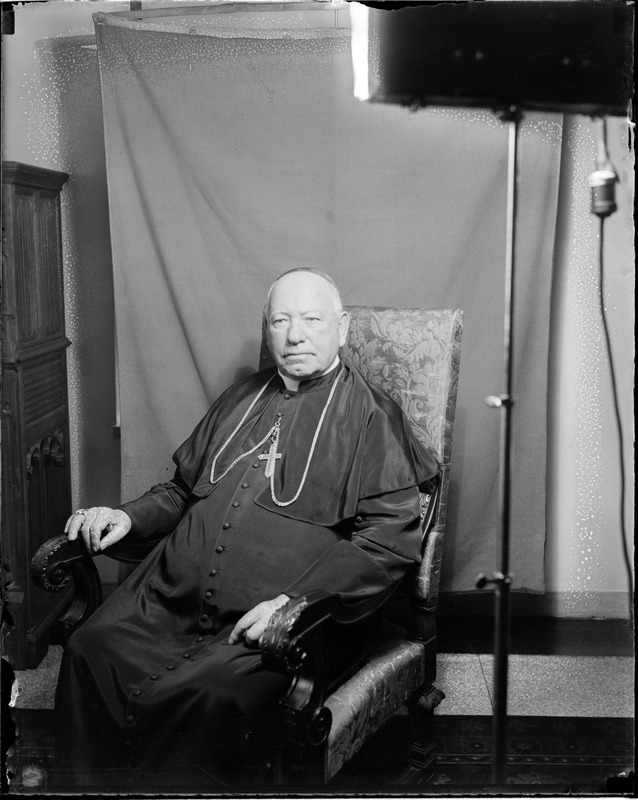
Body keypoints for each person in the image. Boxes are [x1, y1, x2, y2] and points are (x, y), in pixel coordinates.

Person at [55, 268, 438, 783]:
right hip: (170, 601)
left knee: (214, 695)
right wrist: (125, 515)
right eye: (280, 320)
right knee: (90, 650)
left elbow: (384, 544)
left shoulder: (372, 416)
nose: (294, 334)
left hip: (280, 626)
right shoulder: (241, 398)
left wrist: (293, 604)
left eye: (311, 319)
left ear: (342, 328)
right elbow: (179, 492)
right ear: (267, 329)